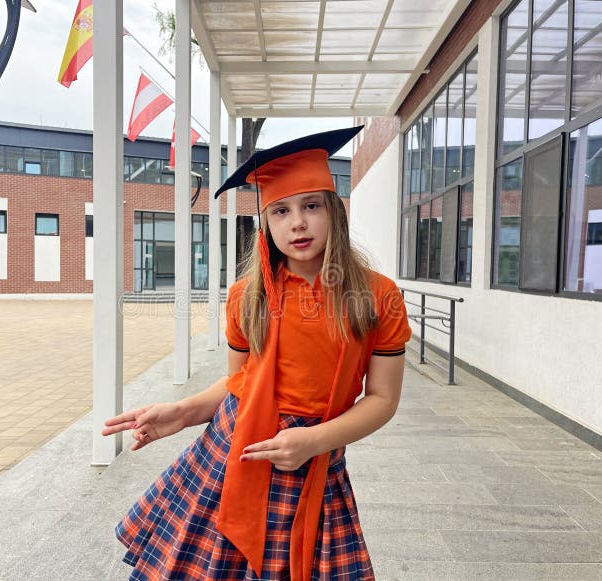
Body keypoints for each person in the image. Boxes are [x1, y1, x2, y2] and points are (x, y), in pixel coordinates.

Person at [102, 126, 411, 580]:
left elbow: (383, 399)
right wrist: (185, 412)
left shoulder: (377, 296)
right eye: (281, 211)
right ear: (265, 221)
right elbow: (240, 384)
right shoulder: (248, 296)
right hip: (232, 454)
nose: (298, 223)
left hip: (313, 462)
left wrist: (315, 441)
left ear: (335, 211)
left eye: (311, 206)